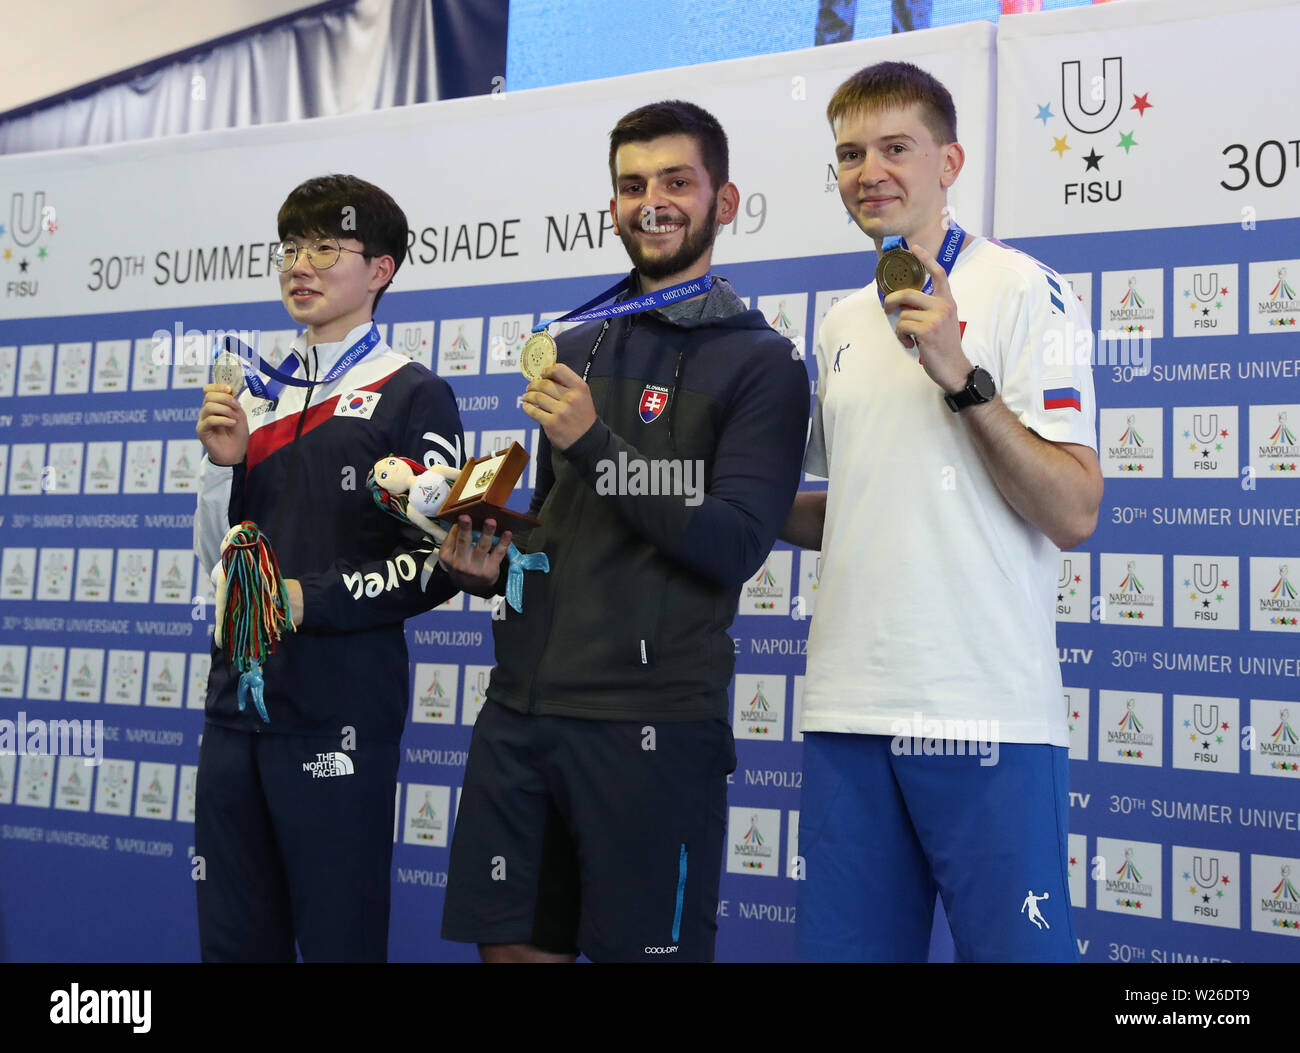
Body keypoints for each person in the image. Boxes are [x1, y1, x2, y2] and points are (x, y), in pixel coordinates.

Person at [438, 100, 810, 963]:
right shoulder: (576, 343)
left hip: (651, 729)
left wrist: (595, 443)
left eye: (677, 181)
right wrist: (496, 564)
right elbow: (565, 529)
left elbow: (733, 541)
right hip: (522, 714)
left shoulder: (765, 362)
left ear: (725, 201)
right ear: (611, 205)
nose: (653, 201)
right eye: (632, 184)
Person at [781, 62, 1102, 962]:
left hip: (985, 710)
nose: (869, 170)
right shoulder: (842, 321)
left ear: (949, 160)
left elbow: (1074, 508)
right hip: (850, 707)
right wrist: (716, 490)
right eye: (849, 153)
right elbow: (845, 510)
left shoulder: (1029, 289)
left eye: (895, 148)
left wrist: (961, 376)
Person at [193, 173, 465, 962]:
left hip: (341, 711)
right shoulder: (259, 393)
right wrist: (223, 466)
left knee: (340, 944)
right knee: (235, 947)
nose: (299, 265)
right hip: (235, 708)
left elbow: (436, 563)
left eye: (324, 247)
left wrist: (308, 599)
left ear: (380, 270)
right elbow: (217, 556)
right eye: (289, 248)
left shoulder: (413, 392)